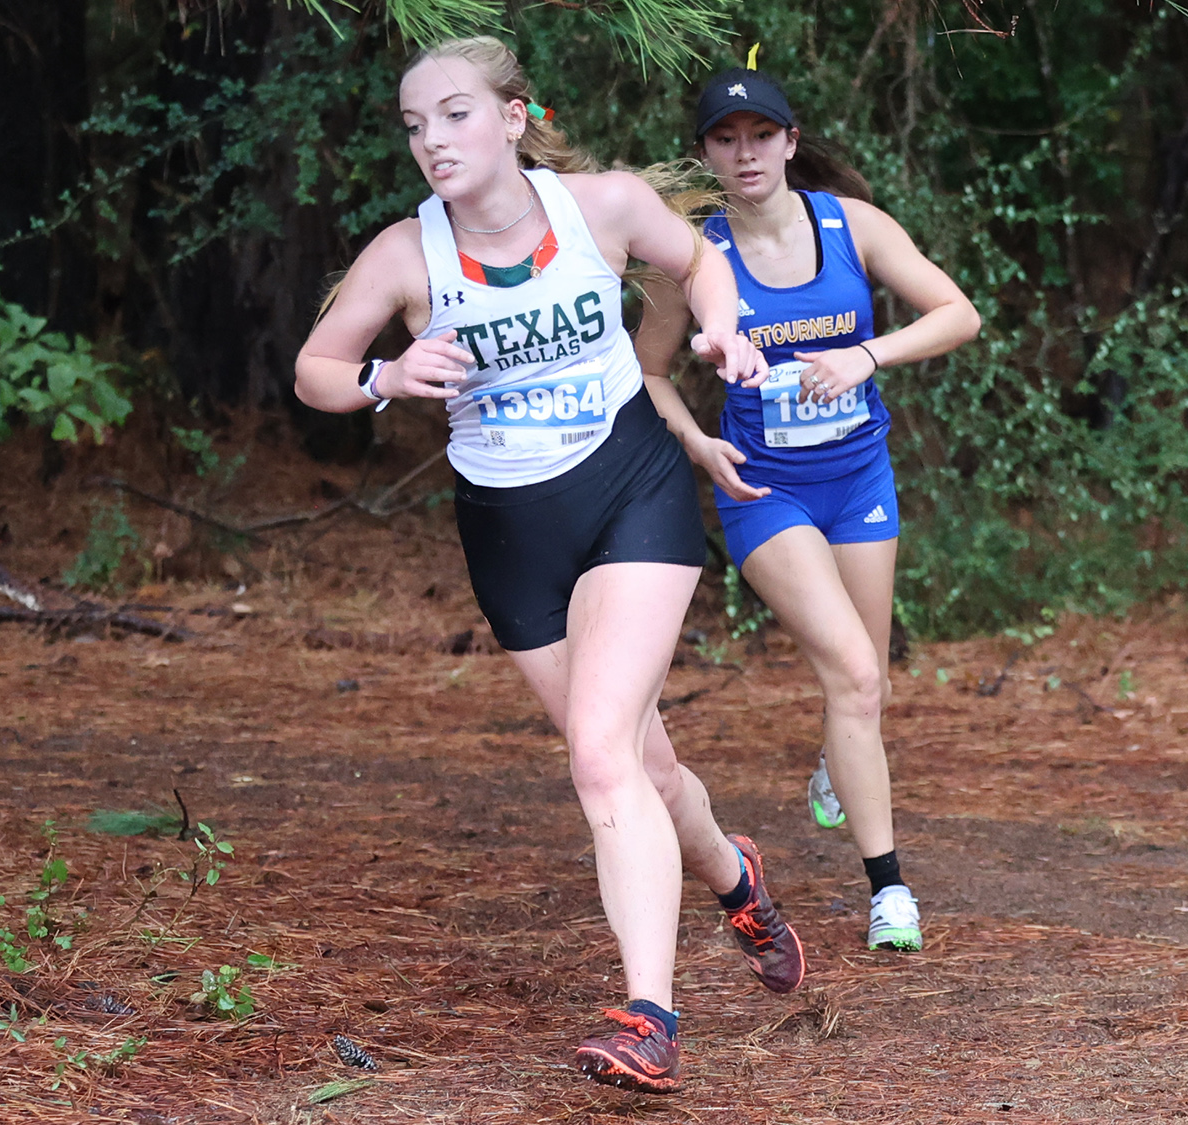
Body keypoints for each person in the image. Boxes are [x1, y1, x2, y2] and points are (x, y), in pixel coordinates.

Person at [294, 38, 806, 1095]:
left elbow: (700, 263)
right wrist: (387, 374)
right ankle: (734, 875)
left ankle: (648, 1017)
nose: (431, 140)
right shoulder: (404, 254)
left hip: (629, 490)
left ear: (514, 117)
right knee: (645, 766)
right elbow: (313, 372)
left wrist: (718, 331)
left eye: (453, 116)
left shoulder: (601, 206)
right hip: (508, 530)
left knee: (595, 755)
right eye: (413, 124)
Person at [636, 66, 980, 955]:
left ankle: (837, 759)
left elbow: (958, 313)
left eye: (760, 135)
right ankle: (890, 889)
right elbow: (647, 371)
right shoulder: (695, 255)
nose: (744, 153)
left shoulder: (850, 225)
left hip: (860, 477)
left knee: (868, 686)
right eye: (724, 139)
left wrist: (867, 355)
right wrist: (700, 446)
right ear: (707, 154)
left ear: (791, 141)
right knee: (857, 676)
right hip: (766, 490)